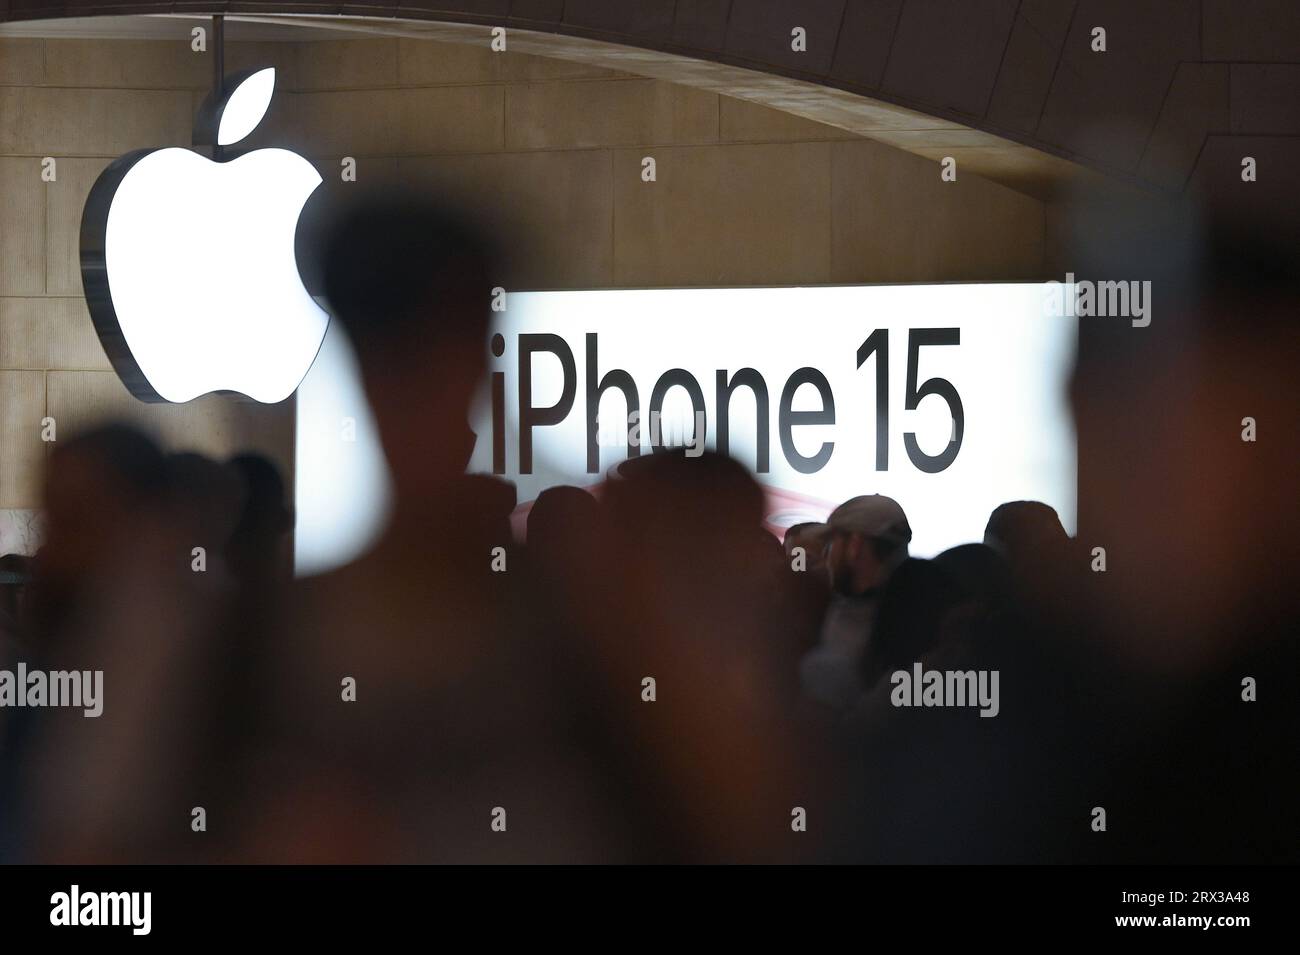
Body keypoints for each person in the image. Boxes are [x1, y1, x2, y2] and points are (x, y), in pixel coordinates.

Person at [799, 495, 911, 709]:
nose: (827, 559)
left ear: (855, 546)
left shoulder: (848, 631)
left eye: (831, 545)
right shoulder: (918, 619)